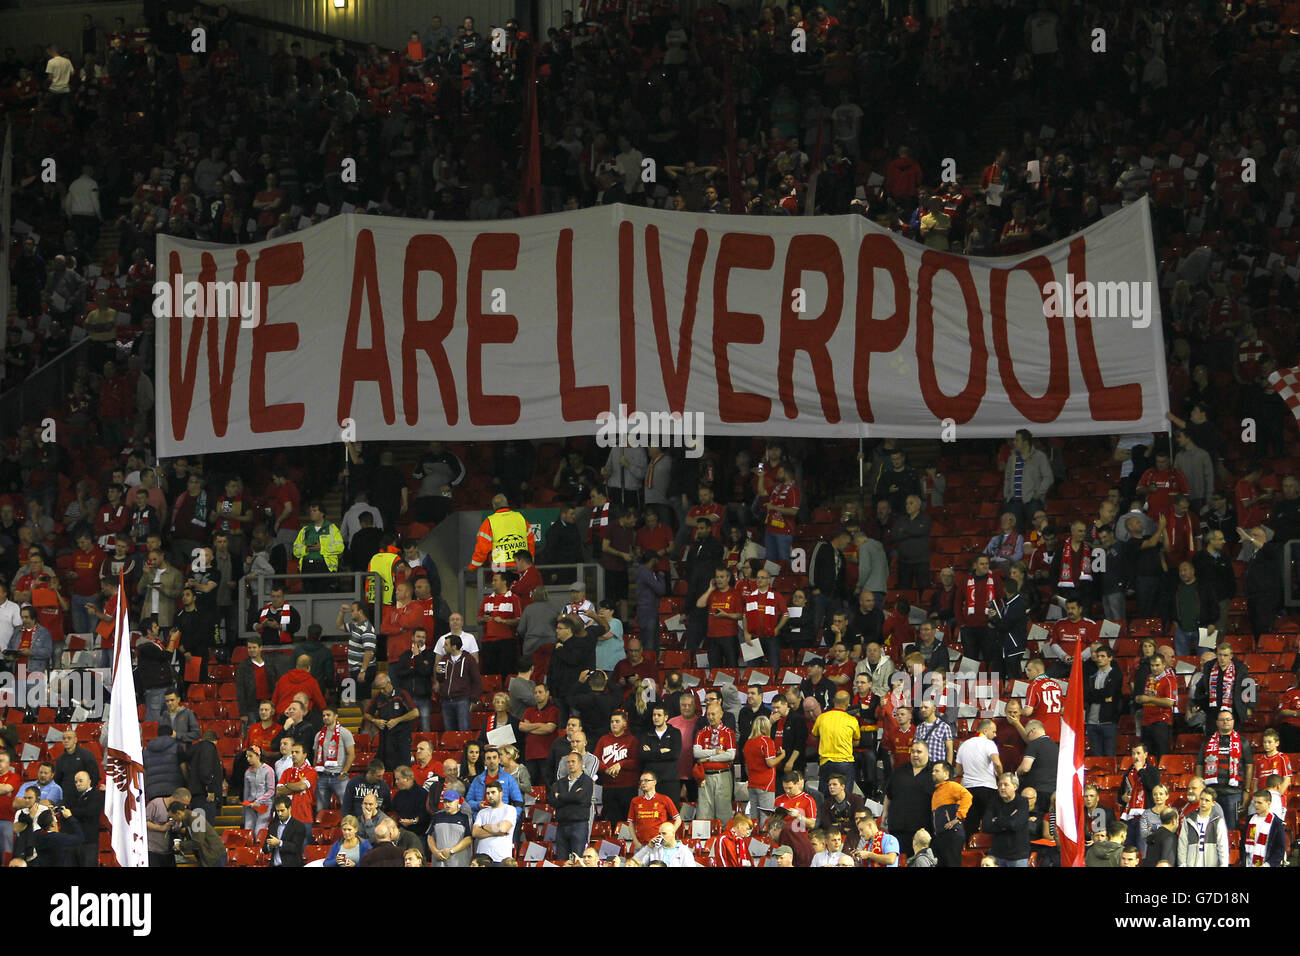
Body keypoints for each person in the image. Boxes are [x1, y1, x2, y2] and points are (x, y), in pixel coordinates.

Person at [1197, 709, 1254, 831]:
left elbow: (1249, 766)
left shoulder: (1242, 742)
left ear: (1233, 722)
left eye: (1228, 719)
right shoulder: (1208, 741)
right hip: (1212, 792)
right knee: (1210, 827)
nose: (1225, 722)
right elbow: (1200, 765)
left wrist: (1247, 790)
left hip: (1233, 793)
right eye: (1222, 720)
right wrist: (1200, 787)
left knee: (1231, 828)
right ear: (1217, 723)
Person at [883, 742, 935, 855]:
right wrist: (884, 815)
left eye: (919, 752)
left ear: (928, 753)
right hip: (898, 828)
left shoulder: (934, 773)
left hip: (923, 831)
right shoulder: (899, 771)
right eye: (913, 752)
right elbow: (888, 795)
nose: (915, 754)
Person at [467, 494, 535, 573]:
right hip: (522, 568)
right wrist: (530, 564)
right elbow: (531, 543)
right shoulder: (520, 518)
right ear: (507, 504)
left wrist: (472, 567)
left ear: (493, 506)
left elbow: (482, 550)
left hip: (501, 571)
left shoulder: (489, 522)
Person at [956, 719, 1003, 832]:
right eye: (993, 732)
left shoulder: (964, 745)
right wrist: (1000, 776)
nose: (995, 735)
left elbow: (958, 771)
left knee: (970, 824)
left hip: (968, 789)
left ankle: (969, 842)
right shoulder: (989, 743)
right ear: (985, 731)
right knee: (989, 823)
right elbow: (997, 763)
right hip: (987, 788)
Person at [364, 673, 418, 773]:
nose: (382, 691)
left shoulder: (401, 694)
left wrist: (398, 720)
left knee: (403, 768)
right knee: (386, 766)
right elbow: (367, 714)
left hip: (402, 737)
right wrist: (375, 721)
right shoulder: (378, 697)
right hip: (386, 737)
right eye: (379, 688)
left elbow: (415, 712)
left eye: (383, 688)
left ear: (389, 683)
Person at [693, 701, 737, 821]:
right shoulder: (701, 733)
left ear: (721, 714)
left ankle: (724, 833)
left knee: (724, 812)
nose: (710, 717)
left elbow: (730, 755)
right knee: (704, 813)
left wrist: (708, 758)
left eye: (713, 714)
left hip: (723, 775)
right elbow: (696, 753)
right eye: (708, 714)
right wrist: (716, 752)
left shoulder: (728, 733)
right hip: (705, 777)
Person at [811, 690, 860, 795]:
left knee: (824, 797)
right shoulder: (852, 720)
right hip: (845, 762)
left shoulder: (821, 718)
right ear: (848, 704)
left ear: (833, 701)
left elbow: (814, 738)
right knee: (845, 797)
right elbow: (856, 742)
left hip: (825, 762)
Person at [595, 711, 640, 823]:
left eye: (617, 721)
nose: (614, 724)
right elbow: (595, 760)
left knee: (628, 821)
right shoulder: (603, 739)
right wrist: (606, 769)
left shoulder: (632, 740)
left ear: (625, 724)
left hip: (628, 787)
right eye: (612, 722)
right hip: (608, 787)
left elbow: (637, 762)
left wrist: (621, 764)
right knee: (612, 821)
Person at [549, 751, 594, 860]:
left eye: (573, 761)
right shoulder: (560, 782)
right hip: (561, 825)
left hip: (579, 825)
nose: (570, 764)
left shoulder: (587, 781)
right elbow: (553, 801)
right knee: (562, 861)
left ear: (581, 763)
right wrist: (572, 796)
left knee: (578, 860)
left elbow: (580, 798)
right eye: (568, 762)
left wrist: (560, 796)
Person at [1135, 651, 1178, 763]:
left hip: (1161, 721)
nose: (1154, 668)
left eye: (1157, 665)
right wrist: (1140, 699)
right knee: (1146, 756)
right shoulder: (1149, 677)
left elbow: (1169, 702)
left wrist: (1149, 699)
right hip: (1146, 721)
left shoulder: (1169, 679)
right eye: (1152, 665)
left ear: (1164, 665)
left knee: (1161, 755)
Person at [929, 760, 972, 867]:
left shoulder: (951, 786)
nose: (933, 773)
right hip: (942, 835)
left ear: (946, 774)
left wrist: (959, 817)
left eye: (937, 771)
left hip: (952, 834)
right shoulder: (936, 792)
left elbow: (967, 796)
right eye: (933, 771)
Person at [435, 634, 481, 732]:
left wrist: (474, 700)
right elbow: (440, 679)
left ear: (454, 647)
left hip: (462, 700)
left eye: (446, 645)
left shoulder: (469, 659)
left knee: (464, 730)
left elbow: (477, 680)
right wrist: (438, 673)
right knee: (449, 732)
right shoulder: (444, 659)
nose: (443, 647)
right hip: (446, 701)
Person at [983, 772, 1031, 866]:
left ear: (1015, 787)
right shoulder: (993, 802)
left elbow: (1015, 825)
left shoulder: (1022, 802)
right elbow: (986, 826)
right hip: (998, 853)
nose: (1002, 787)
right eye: (1000, 785)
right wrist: (1009, 819)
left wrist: (996, 820)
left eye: (1006, 784)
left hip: (1018, 855)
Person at [1084, 644, 1123, 756]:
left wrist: (1095, 696)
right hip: (1091, 722)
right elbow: (1087, 695)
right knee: (1096, 758)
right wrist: (1104, 697)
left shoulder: (1116, 674)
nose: (1099, 658)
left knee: (1109, 757)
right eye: (1098, 656)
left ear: (1110, 658)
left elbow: (1109, 692)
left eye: (1102, 656)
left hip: (1108, 721)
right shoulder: (1091, 676)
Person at [627, 770, 681, 850]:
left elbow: (678, 819)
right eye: (641, 781)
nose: (643, 783)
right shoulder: (635, 801)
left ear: (654, 782)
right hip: (641, 845)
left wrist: (669, 834)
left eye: (646, 780)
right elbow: (631, 823)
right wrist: (636, 842)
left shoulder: (664, 799)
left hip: (660, 844)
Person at [1177, 787, 1229, 868]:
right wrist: (1182, 864)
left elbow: (1222, 846)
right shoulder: (1188, 819)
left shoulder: (1218, 821)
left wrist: (1224, 864)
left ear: (1213, 803)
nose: (1203, 802)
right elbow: (1182, 844)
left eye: (1207, 800)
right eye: (1201, 799)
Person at [465, 745, 525, 813]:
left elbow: (518, 802)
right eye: (488, 758)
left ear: (499, 760)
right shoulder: (477, 780)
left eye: (494, 757)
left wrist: (513, 818)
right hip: (482, 816)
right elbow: (468, 801)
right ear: (485, 761)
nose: (492, 761)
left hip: (502, 816)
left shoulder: (509, 779)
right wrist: (478, 805)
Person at [1016, 721, 1059, 811]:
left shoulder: (1034, 744)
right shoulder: (1056, 746)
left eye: (1027, 735)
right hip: (1053, 791)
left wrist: (1017, 772)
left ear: (1032, 731)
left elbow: (1025, 768)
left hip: (1037, 791)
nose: (1028, 738)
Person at [426, 787, 474, 867]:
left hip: (459, 861)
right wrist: (435, 851)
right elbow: (430, 836)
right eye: (445, 801)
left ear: (457, 801)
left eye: (450, 801)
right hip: (439, 860)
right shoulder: (437, 816)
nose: (447, 804)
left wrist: (451, 851)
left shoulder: (465, 817)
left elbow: (468, 839)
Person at [471, 781, 517, 862]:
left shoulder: (510, 809)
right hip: (482, 859)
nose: (490, 795)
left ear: (501, 794)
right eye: (488, 793)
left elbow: (503, 829)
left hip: (501, 859)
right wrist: (498, 832)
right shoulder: (482, 812)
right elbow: (475, 833)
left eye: (493, 792)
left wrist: (484, 826)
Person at [66, 771, 103, 867]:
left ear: (89, 781)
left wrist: (70, 813)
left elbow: (89, 812)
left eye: (80, 781)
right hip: (77, 841)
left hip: (89, 841)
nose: (78, 784)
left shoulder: (96, 795)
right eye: (76, 782)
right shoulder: (77, 797)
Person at [1242, 790, 1286, 867]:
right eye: (1254, 802)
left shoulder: (1277, 823)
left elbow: (1280, 849)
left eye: (1259, 803)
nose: (1256, 805)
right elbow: (1243, 843)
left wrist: (1268, 864)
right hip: (1248, 863)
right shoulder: (1250, 820)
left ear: (1268, 803)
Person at [263, 796, 307, 867]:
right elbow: (264, 849)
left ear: (289, 809)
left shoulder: (298, 826)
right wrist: (270, 846)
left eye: (282, 810)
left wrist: (279, 843)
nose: (279, 814)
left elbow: (296, 848)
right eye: (277, 811)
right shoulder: (273, 826)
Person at [242, 746, 274, 833]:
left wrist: (258, 801)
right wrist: (244, 809)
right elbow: (246, 792)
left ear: (258, 756)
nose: (248, 759)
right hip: (250, 804)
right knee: (248, 831)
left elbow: (271, 790)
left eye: (250, 756)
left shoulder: (268, 770)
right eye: (247, 756)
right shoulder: (248, 772)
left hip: (264, 805)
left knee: (259, 831)